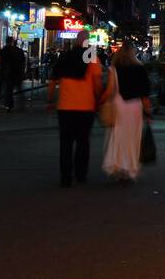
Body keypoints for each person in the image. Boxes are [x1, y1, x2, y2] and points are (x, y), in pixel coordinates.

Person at [47, 32, 104, 187]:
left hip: (65, 107)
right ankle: (80, 174)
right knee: (83, 142)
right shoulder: (91, 56)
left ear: (75, 41)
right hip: (86, 107)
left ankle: (65, 177)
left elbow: (52, 82)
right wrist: (99, 99)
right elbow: (97, 82)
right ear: (87, 42)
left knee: (65, 143)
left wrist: (50, 100)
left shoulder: (65, 56)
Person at [103, 42, 151, 182]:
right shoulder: (140, 68)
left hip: (120, 105)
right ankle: (130, 168)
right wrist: (147, 112)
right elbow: (145, 93)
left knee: (118, 137)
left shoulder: (114, 69)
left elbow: (110, 90)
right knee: (132, 139)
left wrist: (99, 101)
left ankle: (117, 166)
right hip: (135, 106)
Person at [0, 37, 26, 112]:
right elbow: (23, 62)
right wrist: (23, 71)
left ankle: (9, 105)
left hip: (8, 73)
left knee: (8, 90)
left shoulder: (3, 50)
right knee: (19, 89)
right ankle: (21, 104)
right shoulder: (19, 51)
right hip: (17, 72)